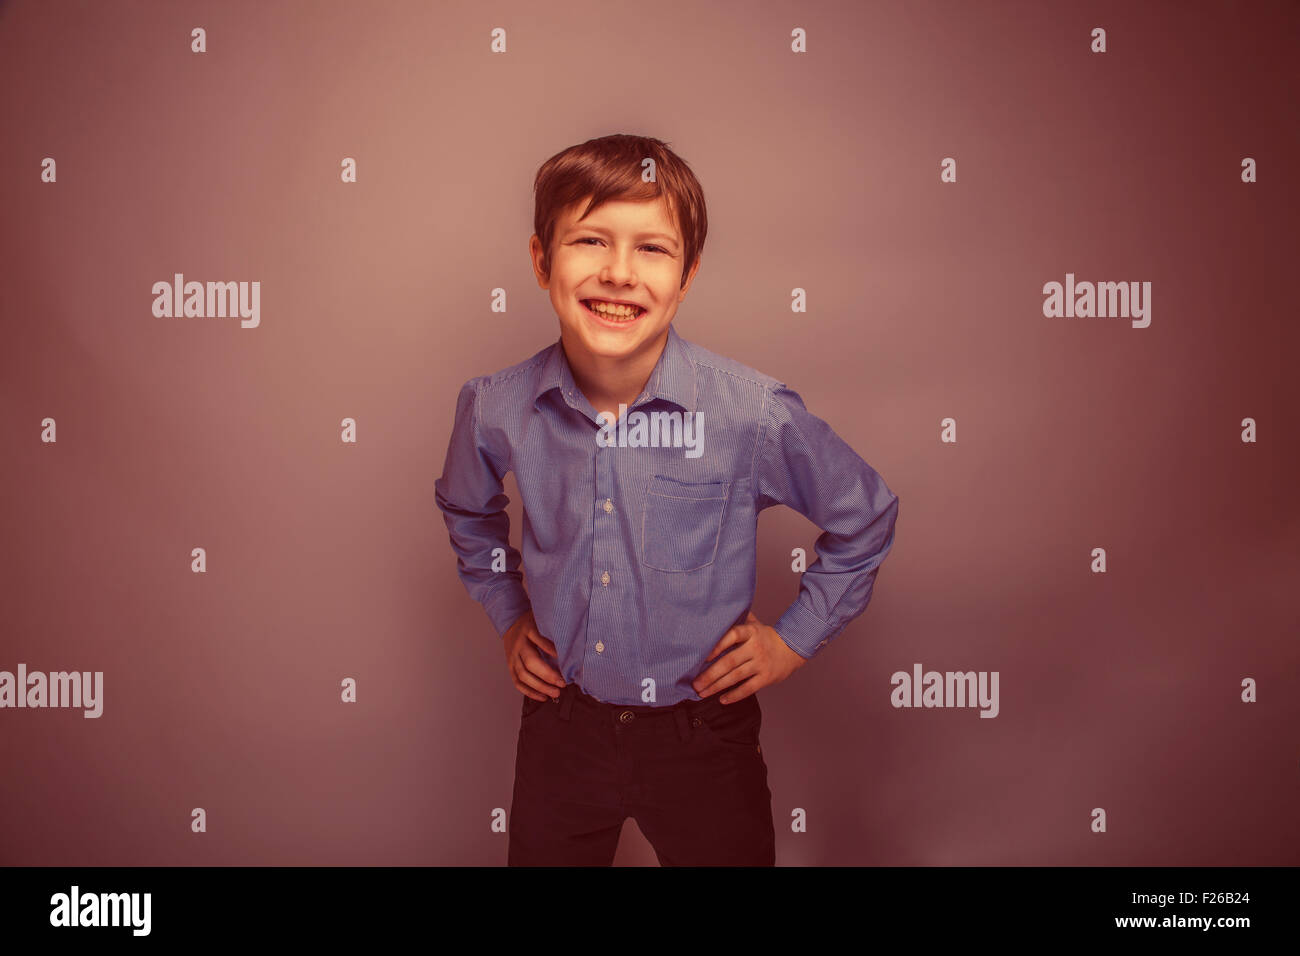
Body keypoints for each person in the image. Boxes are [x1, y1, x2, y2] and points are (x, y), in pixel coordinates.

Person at [434, 133, 900, 866]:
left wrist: (793, 640)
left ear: (686, 276)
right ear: (540, 260)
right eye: (590, 240)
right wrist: (507, 611)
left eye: (652, 249)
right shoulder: (497, 406)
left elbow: (865, 515)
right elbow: (469, 510)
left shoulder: (751, 415)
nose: (619, 273)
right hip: (563, 726)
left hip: (702, 739)